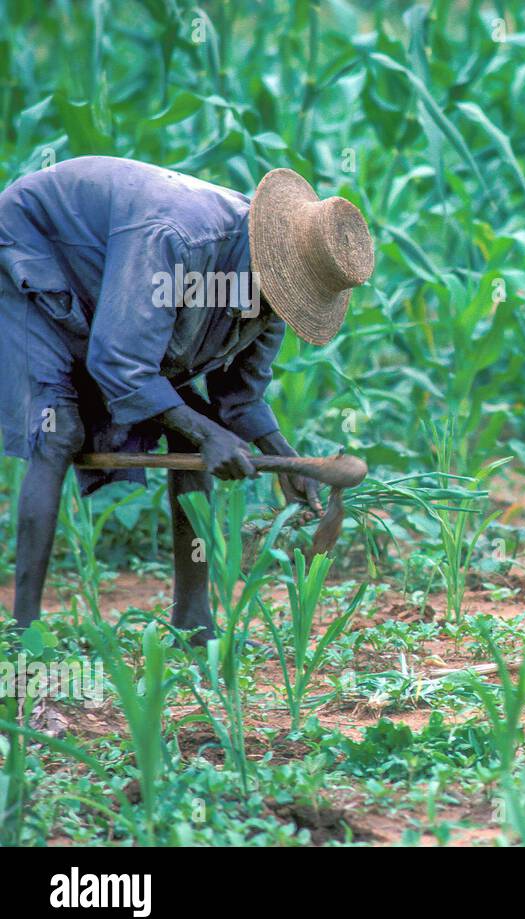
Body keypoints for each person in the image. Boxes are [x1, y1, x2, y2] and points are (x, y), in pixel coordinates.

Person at [0, 156, 374, 642]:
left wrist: (287, 462)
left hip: (112, 278)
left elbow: (238, 399)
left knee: (196, 436)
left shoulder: (273, 297)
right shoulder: (175, 239)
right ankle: (21, 632)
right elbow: (119, 364)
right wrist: (207, 434)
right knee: (59, 431)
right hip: (33, 246)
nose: (276, 310)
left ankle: (193, 621)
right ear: (272, 261)